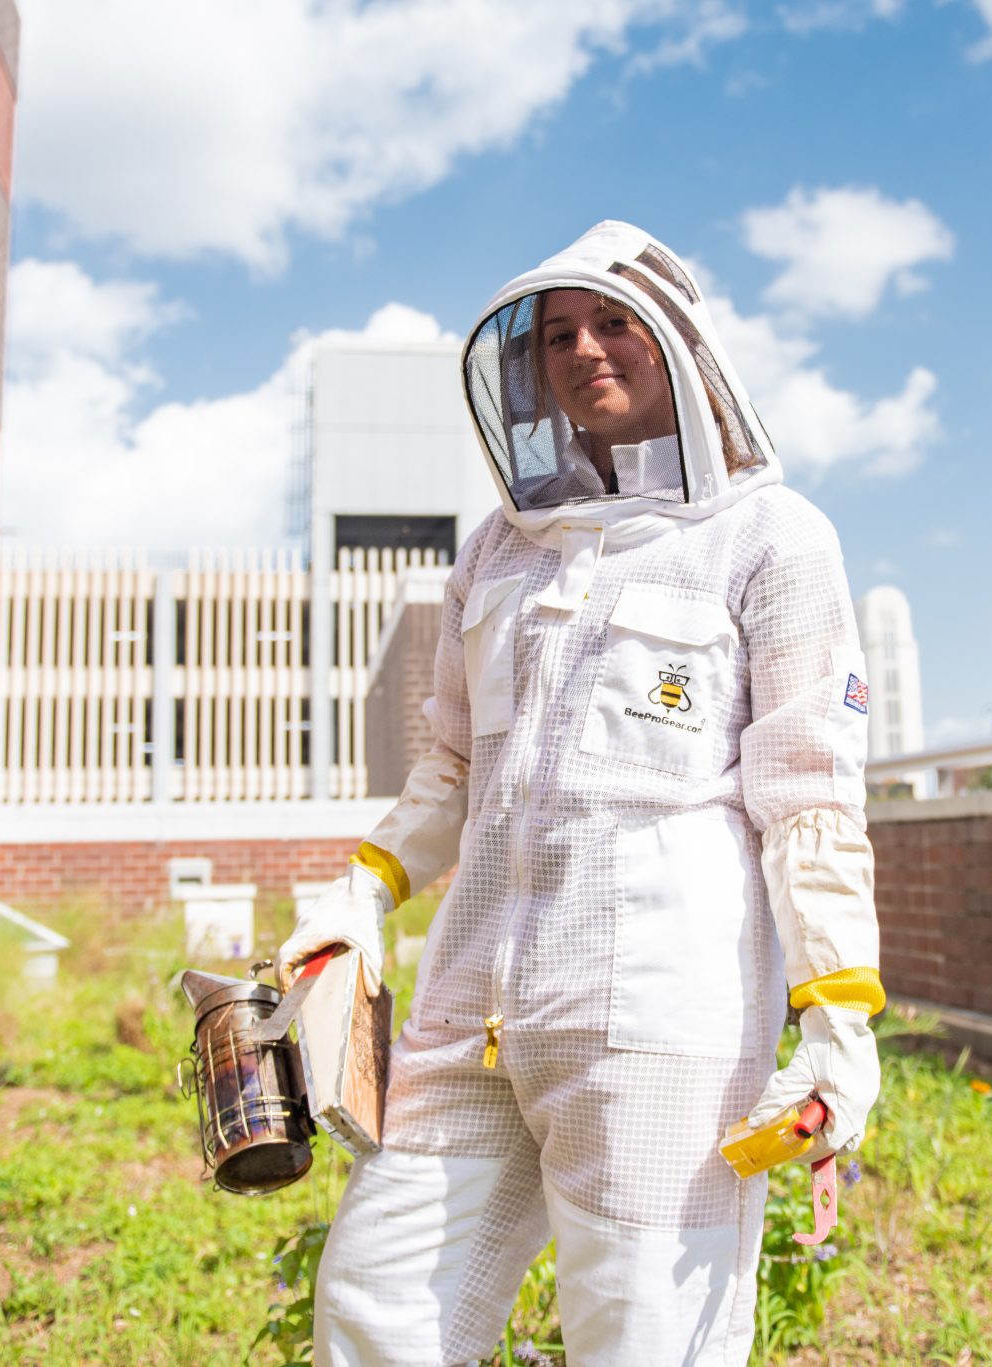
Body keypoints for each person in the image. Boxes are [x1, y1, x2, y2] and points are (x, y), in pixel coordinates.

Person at [277, 221, 882, 1367]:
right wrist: (361, 890)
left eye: (612, 323)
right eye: (557, 334)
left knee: (646, 1338)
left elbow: (808, 800)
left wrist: (837, 1020)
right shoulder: (498, 551)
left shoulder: (771, 538)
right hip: (469, 1011)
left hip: (660, 1026)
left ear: (682, 345)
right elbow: (451, 765)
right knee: (375, 1305)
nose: (583, 350)